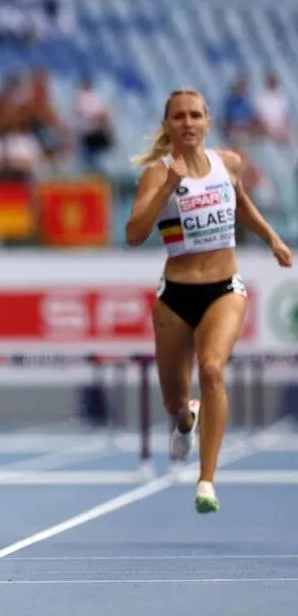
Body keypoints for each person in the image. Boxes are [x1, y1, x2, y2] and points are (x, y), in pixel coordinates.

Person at [125, 87, 292, 513]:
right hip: (176, 296)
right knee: (173, 401)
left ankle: (206, 481)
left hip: (223, 288)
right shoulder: (156, 175)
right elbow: (133, 234)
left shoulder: (228, 162)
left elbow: (240, 203)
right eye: (178, 116)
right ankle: (186, 417)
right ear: (167, 126)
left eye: (195, 115)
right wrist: (169, 189)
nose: (188, 123)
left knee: (212, 367)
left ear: (208, 122)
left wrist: (273, 238)